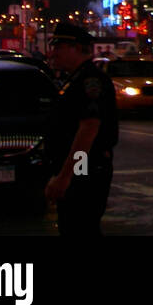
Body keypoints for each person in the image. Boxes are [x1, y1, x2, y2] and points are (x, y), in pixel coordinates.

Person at [44, 22, 118, 236]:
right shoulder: (75, 79)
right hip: (83, 164)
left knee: (80, 226)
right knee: (74, 226)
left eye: (58, 47)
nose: (53, 52)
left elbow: (88, 130)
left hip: (86, 165)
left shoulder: (89, 81)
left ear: (75, 48)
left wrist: (66, 177)